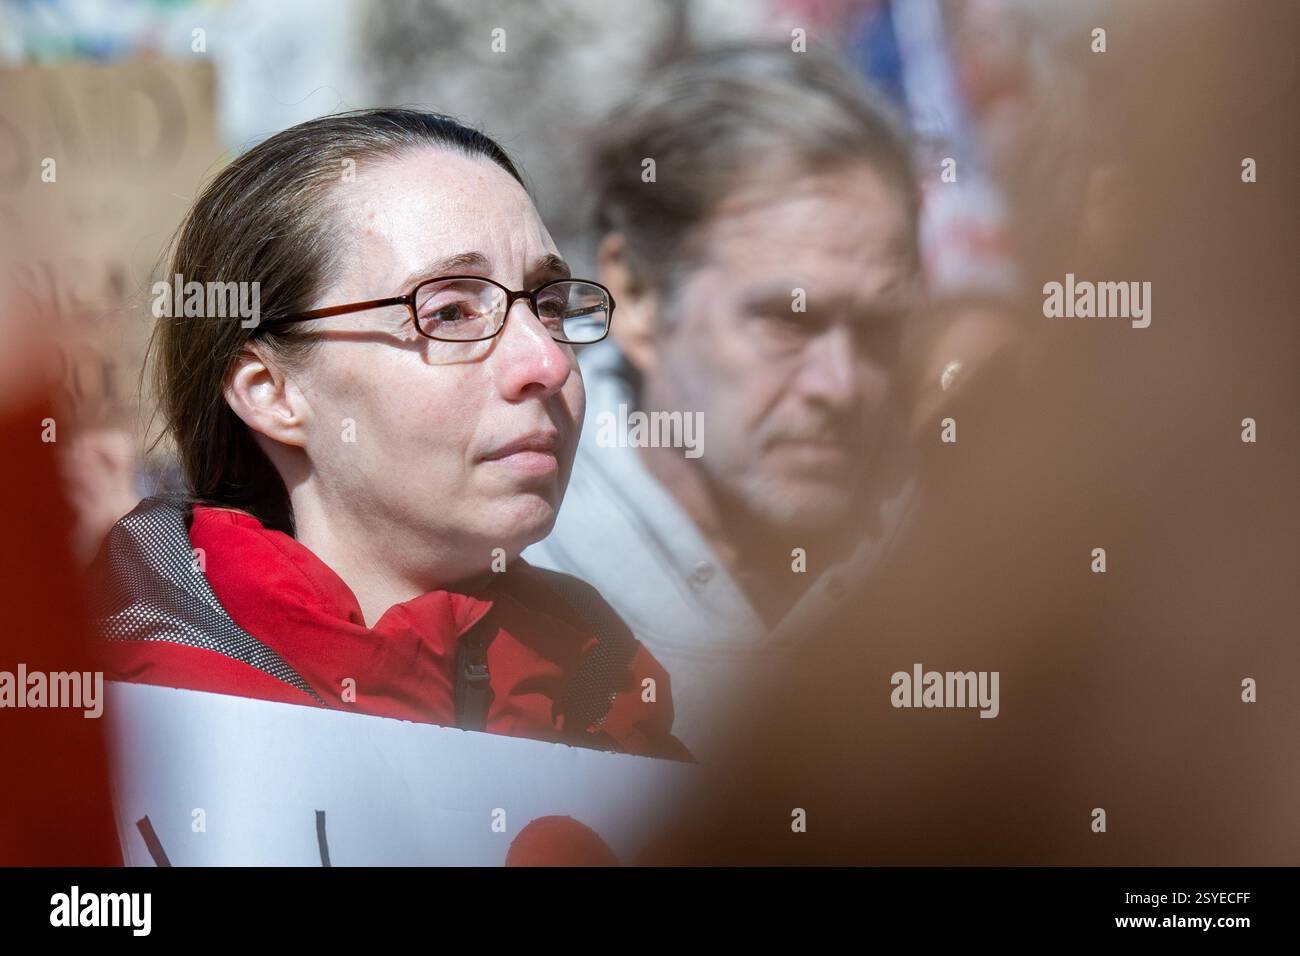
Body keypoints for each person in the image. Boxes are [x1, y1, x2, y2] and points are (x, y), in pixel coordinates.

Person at [90, 108, 688, 762]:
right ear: (272, 393)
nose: (546, 364)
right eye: (451, 312)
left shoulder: (608, 686)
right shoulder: (121, 732)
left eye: (548, 305)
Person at [523, 45, 923, 760]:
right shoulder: (494, 571)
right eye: (788, 321)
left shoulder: (978, 572)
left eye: (879, 328)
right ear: (640, 295)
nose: (840, 384)